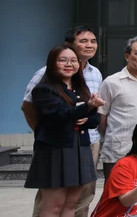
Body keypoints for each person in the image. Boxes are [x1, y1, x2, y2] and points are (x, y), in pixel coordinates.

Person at [21, 26, 104, 217]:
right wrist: (41, 131)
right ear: (52, 63)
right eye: (63, 60)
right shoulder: (45, 86)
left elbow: (93, 118)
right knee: (52, 206)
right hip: (56, 149)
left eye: (73, 61)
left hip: (82, 146)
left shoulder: (85, 82)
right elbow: (56, 113)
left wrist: (89, 113)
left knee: (72, 204)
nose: (69, 64)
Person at [97, 35, 137, 177]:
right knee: (116, 195)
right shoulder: (112, 82)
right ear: (127, 56)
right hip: (119, 149)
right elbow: (102, 116)